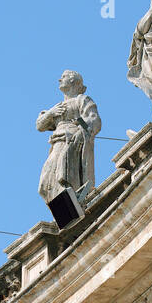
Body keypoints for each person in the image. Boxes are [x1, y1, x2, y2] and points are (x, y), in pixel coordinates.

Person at [37, 70, 102, 207]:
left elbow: (93, 119)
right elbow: (40, 125)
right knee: (45, 182)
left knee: (64, 175)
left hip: (71, 141)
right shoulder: (57, 106)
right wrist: (50, 113)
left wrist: (81, 129)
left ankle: (69, 208)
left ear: (73, 81)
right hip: (57, 143)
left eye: (63, 77)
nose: (59, 80)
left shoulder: (82, 100)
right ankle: (61, 212)